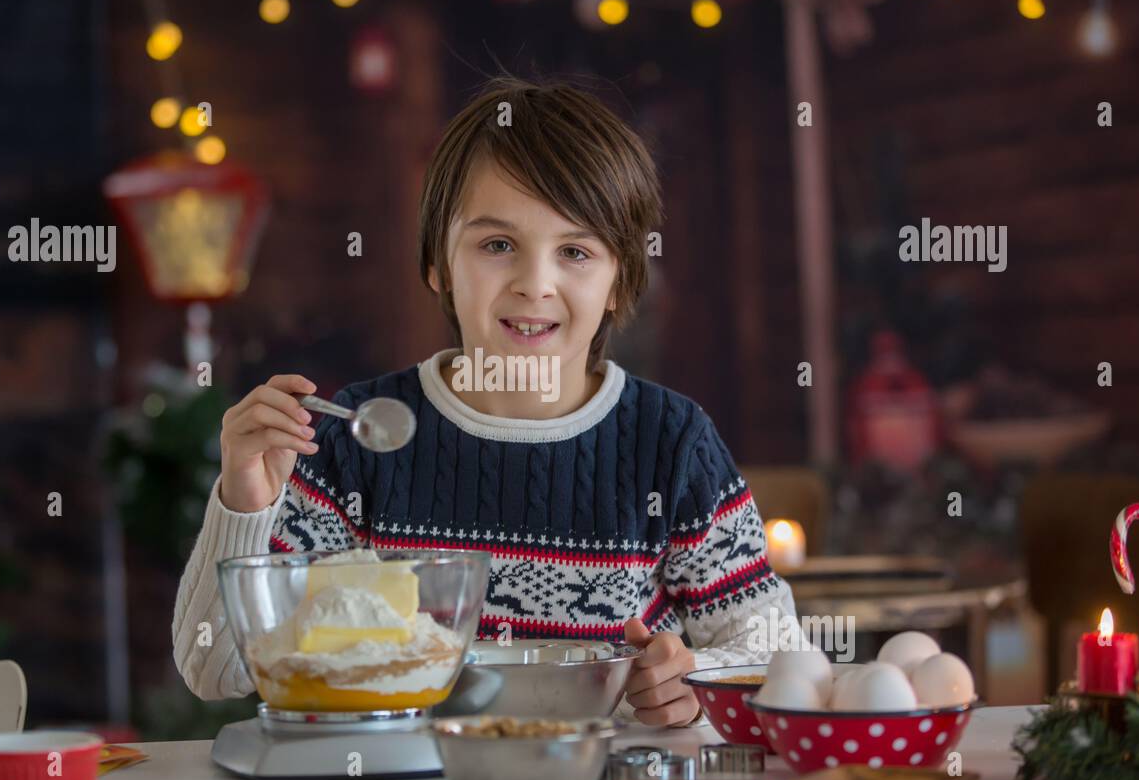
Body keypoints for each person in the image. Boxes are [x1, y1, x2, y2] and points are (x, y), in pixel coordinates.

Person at [173, 76, 805, 727]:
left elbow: (780, 665)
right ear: (438, 265)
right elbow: (217, 671)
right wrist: (247, 501)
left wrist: (692, 688)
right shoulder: (355, 442)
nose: (535, 283)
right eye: (497, 245)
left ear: (620, 281)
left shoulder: (671, 444)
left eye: (575, 252)